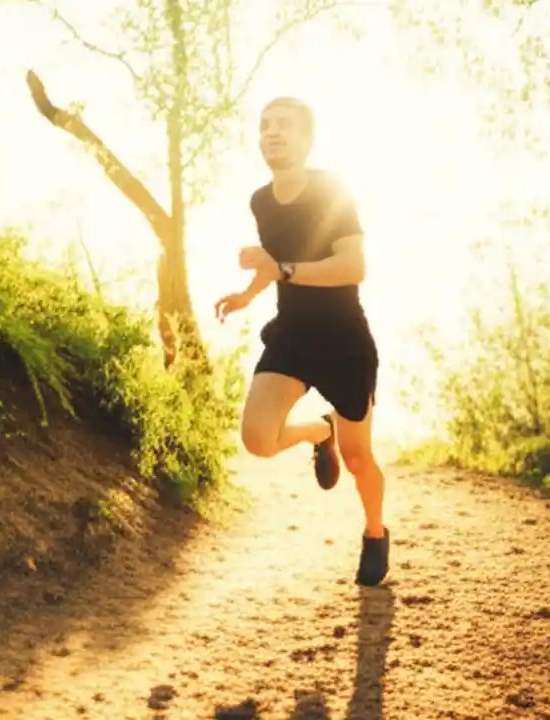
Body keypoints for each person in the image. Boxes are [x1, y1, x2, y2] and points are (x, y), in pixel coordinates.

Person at [213, 96, 388, 587]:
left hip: (344, 342)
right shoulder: (261, 200)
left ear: (307, 139)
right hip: (291, 335)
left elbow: (353, 267)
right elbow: (276, 257)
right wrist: (250, 293)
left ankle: (375, 533)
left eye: (284, 125)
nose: (272, 132)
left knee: (358, 459)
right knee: (257, 439)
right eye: (265, 125)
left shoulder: (332, 191)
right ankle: (319, 431)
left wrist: (283, 270)